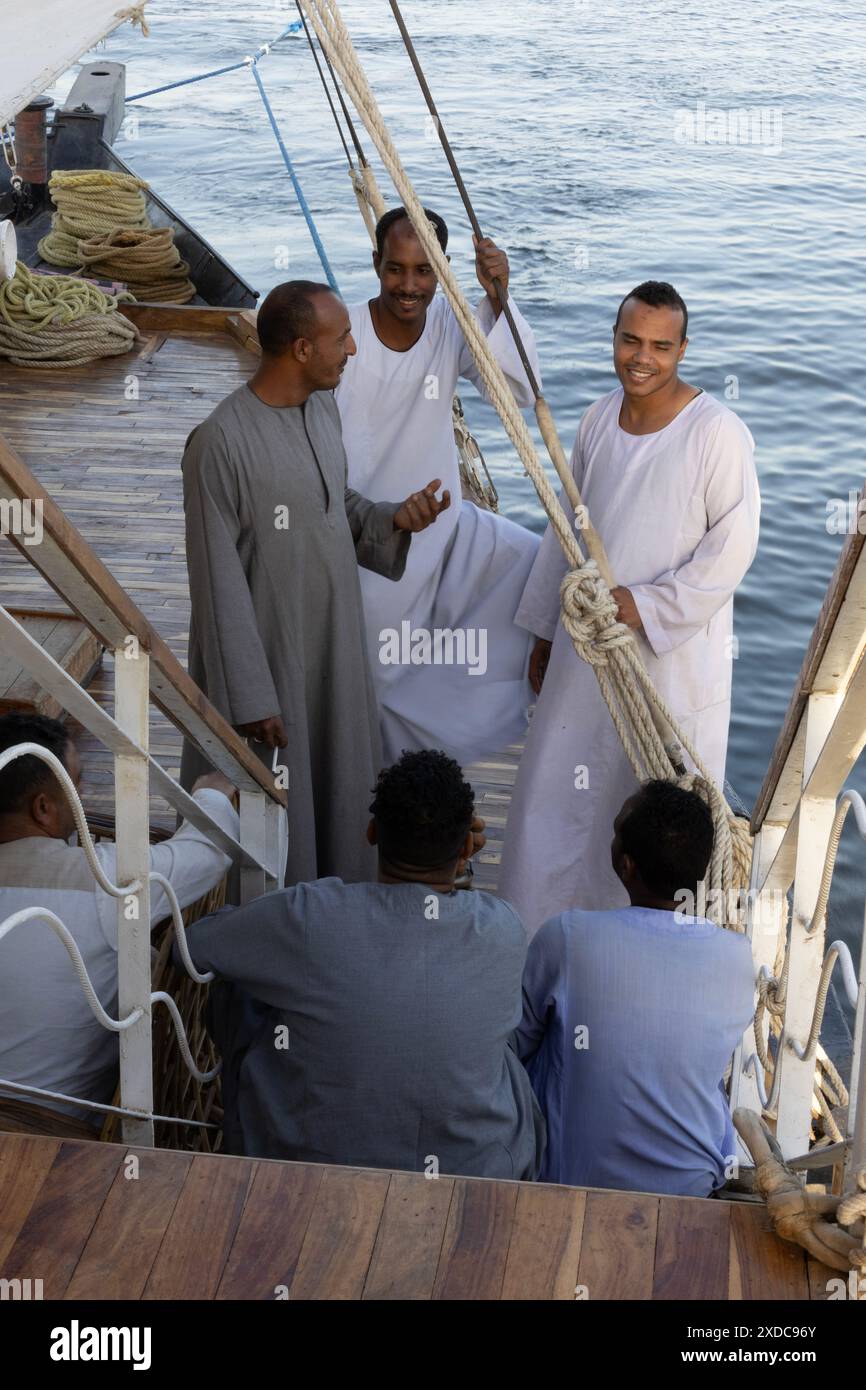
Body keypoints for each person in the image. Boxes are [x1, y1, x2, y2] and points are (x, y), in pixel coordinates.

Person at [499, 280, 760, 931]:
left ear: (682, 348)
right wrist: (543, 631)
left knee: (649, 814)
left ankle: (637, 950)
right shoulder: (595, 418)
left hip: (666, 665)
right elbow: (568, 527)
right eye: (630, 340)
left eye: (660, 346)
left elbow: (731, 551)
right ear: (614, 338)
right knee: (551, 797)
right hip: (585, 656)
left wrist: (643, 605)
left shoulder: (717, 433)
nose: (641, 358)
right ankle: (538, 933)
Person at [179, 280, 449, 886]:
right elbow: (215, 579)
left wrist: (391, 518)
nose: (353, 349)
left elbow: (333, 508)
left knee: (340, 793)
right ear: (301, 349)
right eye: (342, 338)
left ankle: (337, 920)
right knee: (277, 821)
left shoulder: (322, 408)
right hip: (269, 667)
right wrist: (251, 698)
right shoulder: (217, 445)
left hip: (333, 646)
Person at [178, 749, 544, 1180]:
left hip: (310, 1165)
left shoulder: (309, 916)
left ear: (372, 832)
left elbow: (199, 944)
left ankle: (249, 1125)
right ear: (466, 846)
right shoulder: (503, 927)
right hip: (478, 1168)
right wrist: (461, 866)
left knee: (242, 984)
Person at [335, 206, 542, 766]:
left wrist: (499, 296)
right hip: (368, 543)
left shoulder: (451, 325)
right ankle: (381, 796)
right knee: (379, 678)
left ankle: (464, 738)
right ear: (375, 263)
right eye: (396, 269)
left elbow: (520, 389)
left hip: (446, 534)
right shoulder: (342, 333)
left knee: (539, 566)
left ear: (443, 270)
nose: (409, 286)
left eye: (424, 271)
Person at [516, 781, 755, 1198]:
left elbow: (514, 1047)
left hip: (572, 1181)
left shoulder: (568, 936)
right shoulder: (736, 956)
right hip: (691, 1187)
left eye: (615, 830)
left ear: (626, 865)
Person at [0, 712, 238, 1123]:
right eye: (76, 784)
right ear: (43, 809)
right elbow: (207, 853)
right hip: (55, 1131)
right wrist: (211, 793)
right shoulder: (104, 882)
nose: (84, 791)